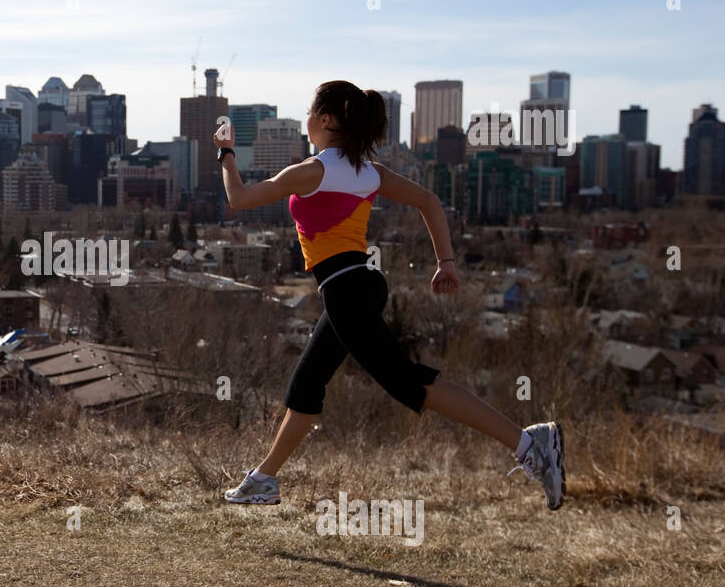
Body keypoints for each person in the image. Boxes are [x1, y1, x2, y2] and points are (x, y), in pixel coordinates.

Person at [214, 80, 564, 510]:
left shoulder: (311, 170)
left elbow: (239, 198)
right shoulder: (370, 171)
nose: (306, 119)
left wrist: (226, 153)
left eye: (309, 111)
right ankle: (264, 479)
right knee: (307, 384)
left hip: (345, 288)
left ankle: (530, 443)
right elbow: (430, 201)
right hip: (360, 283)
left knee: (409, 383)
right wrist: (445, 264)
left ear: (324, 119)